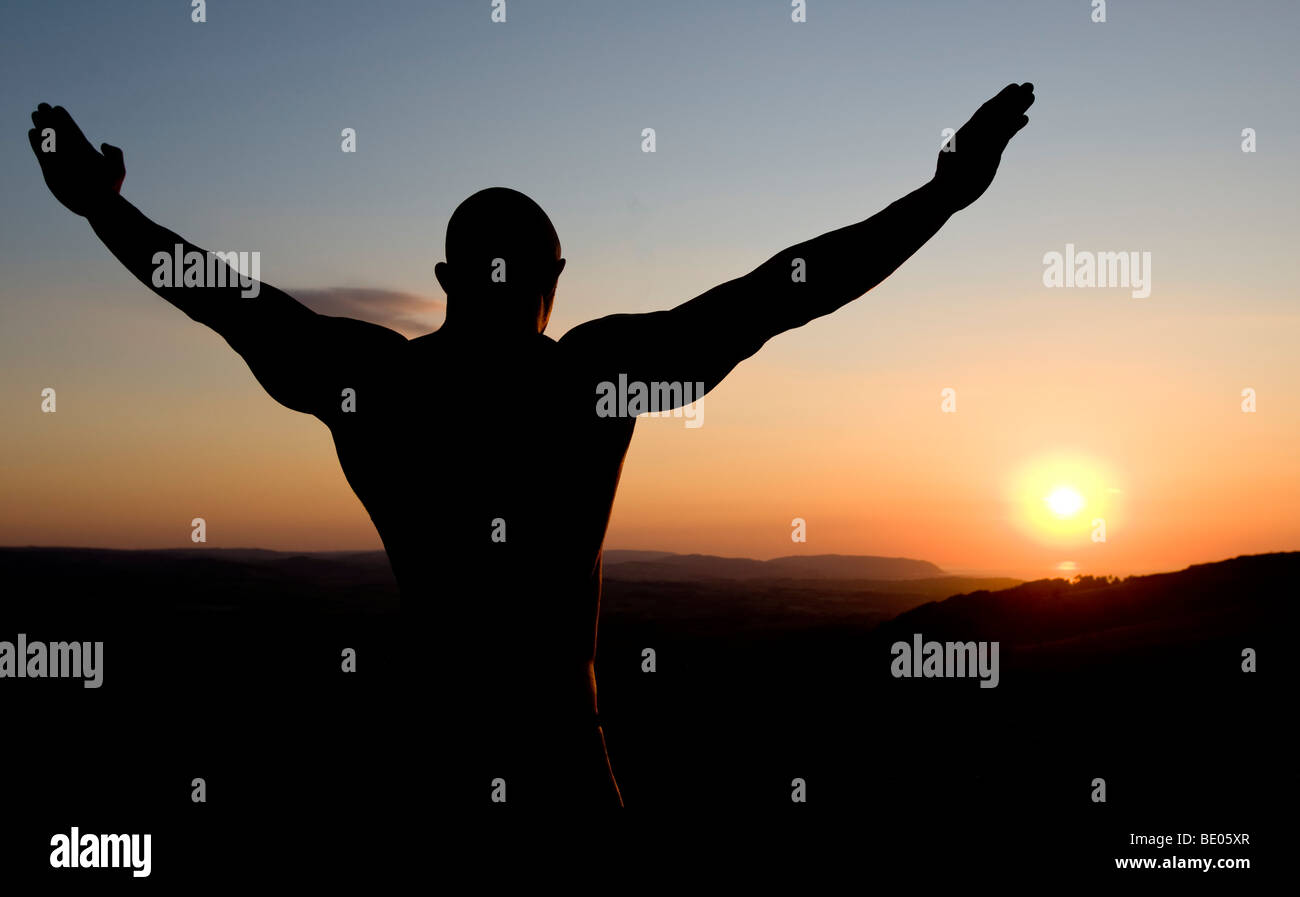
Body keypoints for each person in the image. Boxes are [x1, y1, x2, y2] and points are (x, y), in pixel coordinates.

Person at [28, 83, 1034, 808]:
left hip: (430, 757)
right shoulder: (588, 380)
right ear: (554, 276)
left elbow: (220, 300)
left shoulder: (378, 384)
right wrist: (938, 198)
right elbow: (784, 292)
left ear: (443, 274)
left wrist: (103, 209)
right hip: (561, 761)